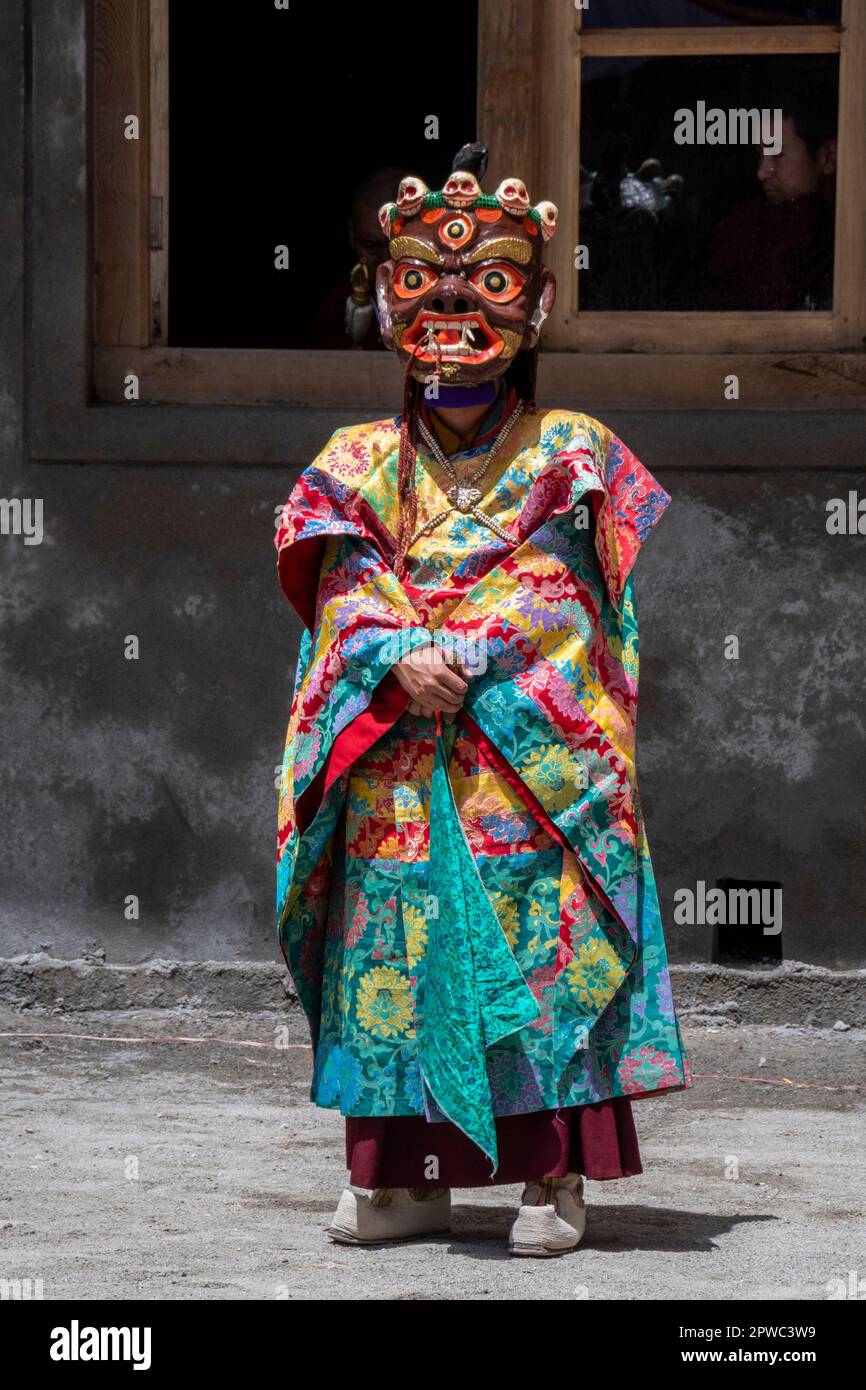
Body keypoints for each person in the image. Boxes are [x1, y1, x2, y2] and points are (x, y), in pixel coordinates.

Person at [274, 148, 691, 1258]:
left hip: (528, 764)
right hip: (397, 759)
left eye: (487, 289)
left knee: (534, 952)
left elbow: (576, 597)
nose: (450, 311)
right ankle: (404, 1182)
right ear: (380, 302)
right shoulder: (350, 460)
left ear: (539, 306)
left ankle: (549, 1176)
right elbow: (339, 587)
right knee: (393, 953)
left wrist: (472, 650)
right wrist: (394, 658)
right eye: (420, 288)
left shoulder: (577, 455)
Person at [706, 85, 838, 311]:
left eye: (777, 153)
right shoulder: (747, 226)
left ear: (827, 156)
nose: (762, 172)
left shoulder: (841, 232)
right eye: (761, 154)